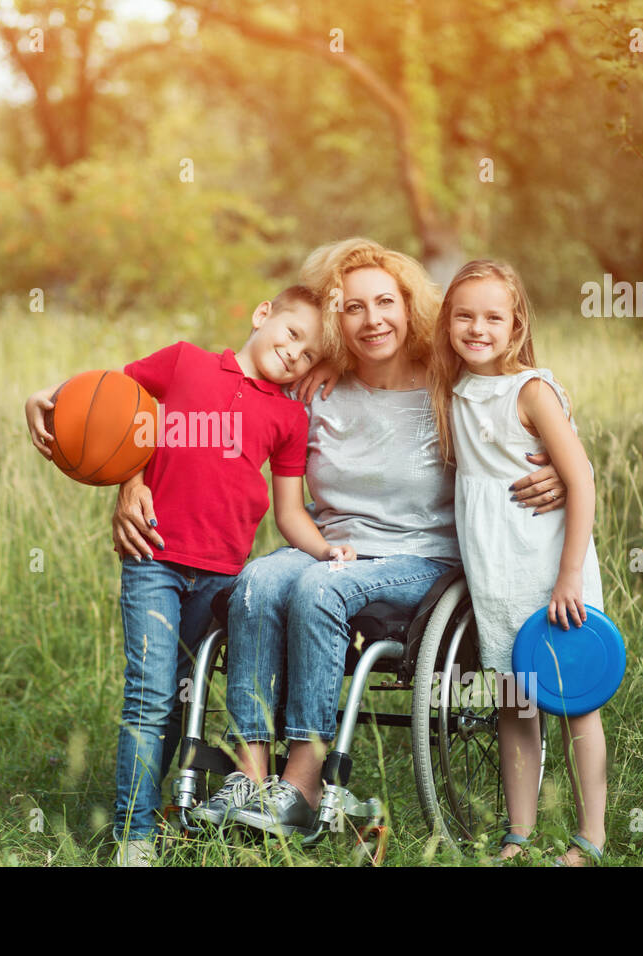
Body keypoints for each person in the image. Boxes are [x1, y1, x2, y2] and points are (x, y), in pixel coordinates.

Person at [113, 238, 570, 839]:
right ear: (335, 321)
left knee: (321, 592)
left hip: (419, 558)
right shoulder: (317, 389)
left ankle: (302, 783)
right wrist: (129, 476)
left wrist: (561, 472)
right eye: (353, 308)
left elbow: (516, 406)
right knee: (254, 580)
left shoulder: (447, 383)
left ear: (408, 306)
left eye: (384, 302)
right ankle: (251, 773)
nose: (372, 319)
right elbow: (201, 420)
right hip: (329, 549)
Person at [25, 285, 349, 866]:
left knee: (185, 698)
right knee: (150, 696)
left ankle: (180, 805)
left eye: (307, 356)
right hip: (155, 560)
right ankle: (135, 836)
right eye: (292, 335)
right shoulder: (182, 363)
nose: (294, 354)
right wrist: (39, 398)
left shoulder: (288, 416)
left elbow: (290, 512)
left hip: (224, 577)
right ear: (262, 314)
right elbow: (102, 403)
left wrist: (327, 553)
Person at [431, 259, 606, 865]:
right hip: (495, 574)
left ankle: (591, 838)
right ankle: (520, 833)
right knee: (514, 699)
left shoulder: (530, 389)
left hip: (550, 568)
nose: (477, 328)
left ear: (516, 323)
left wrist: (570, 575)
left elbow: (580, 476)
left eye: (492, 317)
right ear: (447, 322)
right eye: (464, 316)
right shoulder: (453, 389)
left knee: (575, 701)